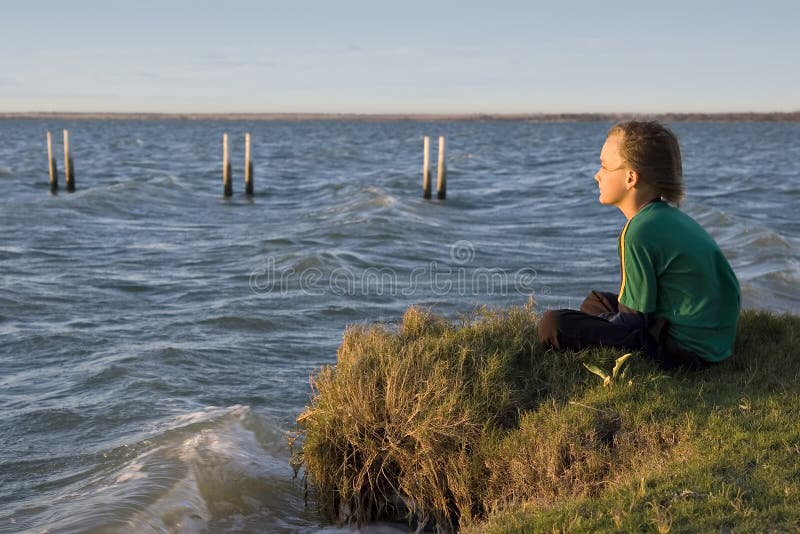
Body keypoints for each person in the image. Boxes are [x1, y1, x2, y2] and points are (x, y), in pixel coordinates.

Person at [538, 120, 740, 369]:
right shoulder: (671, 217)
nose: (597, 174)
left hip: (684, 352)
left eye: (604, 166)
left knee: (553, 324)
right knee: (595, 302)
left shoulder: (638, 232)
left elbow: (634, 321)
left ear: (630, 177)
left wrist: (605, 323)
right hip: (713, 344)